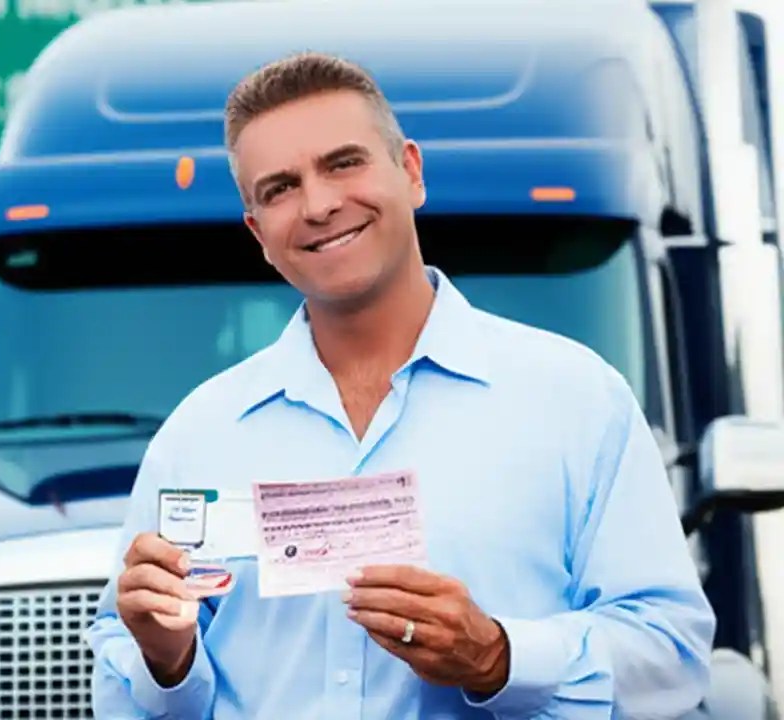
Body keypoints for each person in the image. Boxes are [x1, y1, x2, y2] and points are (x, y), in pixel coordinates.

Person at [85, 51, 715, 718]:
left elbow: (672, 655)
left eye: (342, 163)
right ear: (258, 233)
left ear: (410, 171)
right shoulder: (199, 433)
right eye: (280, 188)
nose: (320, 204)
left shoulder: (578, 401)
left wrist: (500, 656)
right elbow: (121, 677)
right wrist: (165, 657)